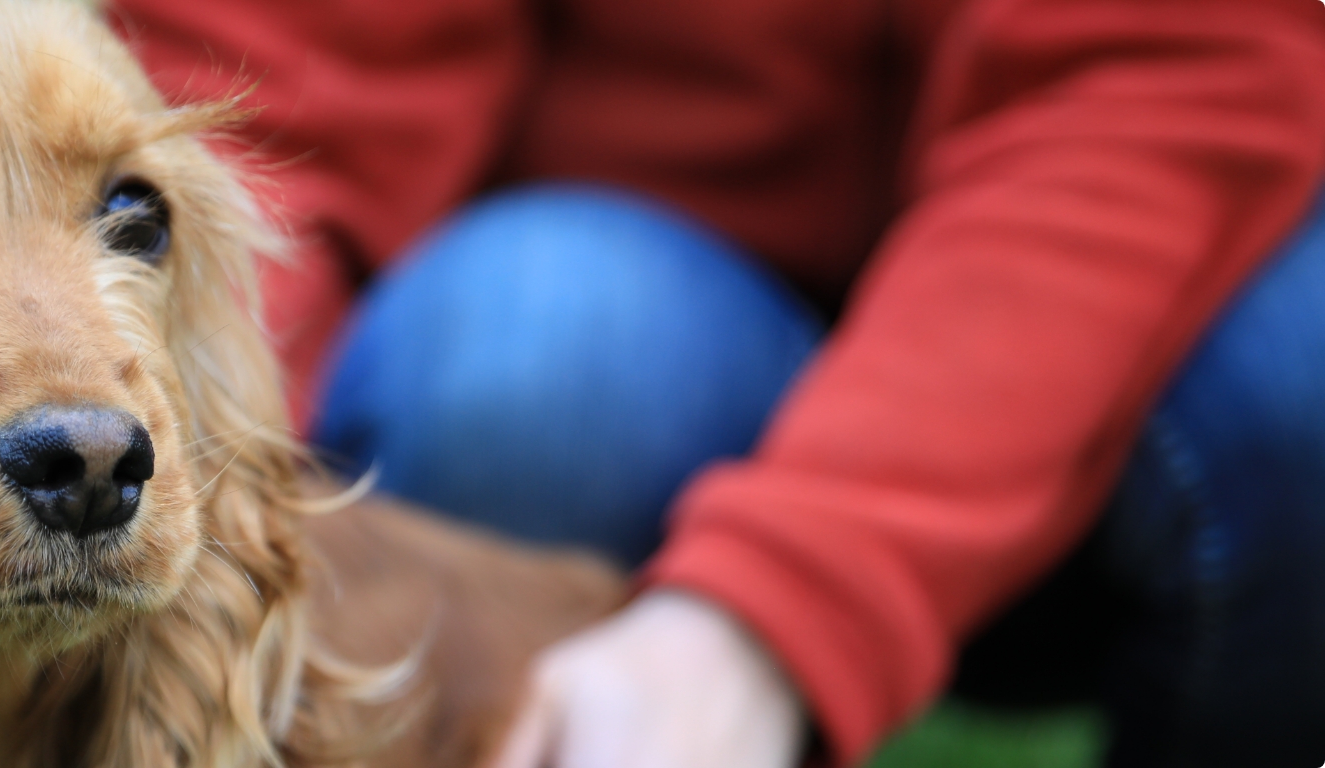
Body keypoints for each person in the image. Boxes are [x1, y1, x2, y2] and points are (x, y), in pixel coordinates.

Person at [104, 0, 1325, 766]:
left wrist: (769, 617)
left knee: (1304, 376)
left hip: (1115, 360)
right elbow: (283, 89)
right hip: (645, 339)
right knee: (527, 352)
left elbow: (1162, 80)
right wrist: (184, 429)